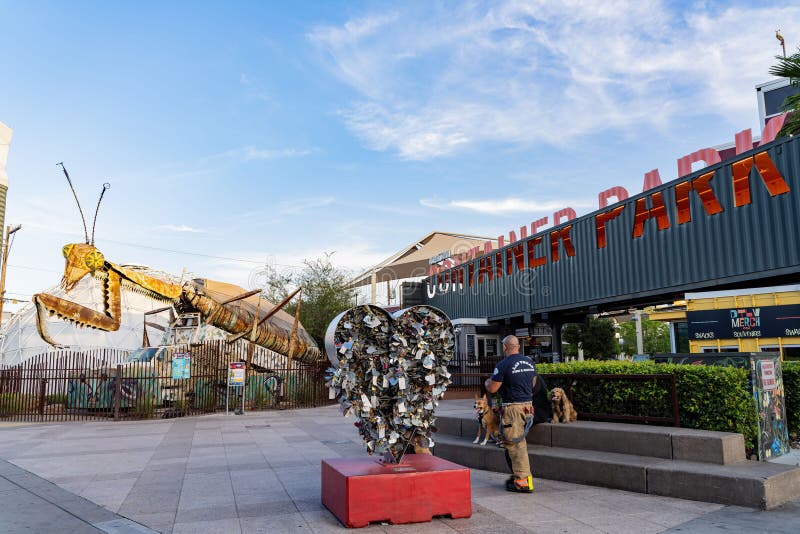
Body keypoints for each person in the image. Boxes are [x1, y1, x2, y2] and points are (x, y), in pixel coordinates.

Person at [484, 335, 536, 493]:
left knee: (515, 445)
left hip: (513, 408)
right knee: (519, 442)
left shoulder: (503, 364)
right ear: (518, 346)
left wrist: (487, 382)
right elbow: (533, 383)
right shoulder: (529, 362)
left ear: (505, 347)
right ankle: (520, 477)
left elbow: (492, 388)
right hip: (528, 407)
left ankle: (523, 481)